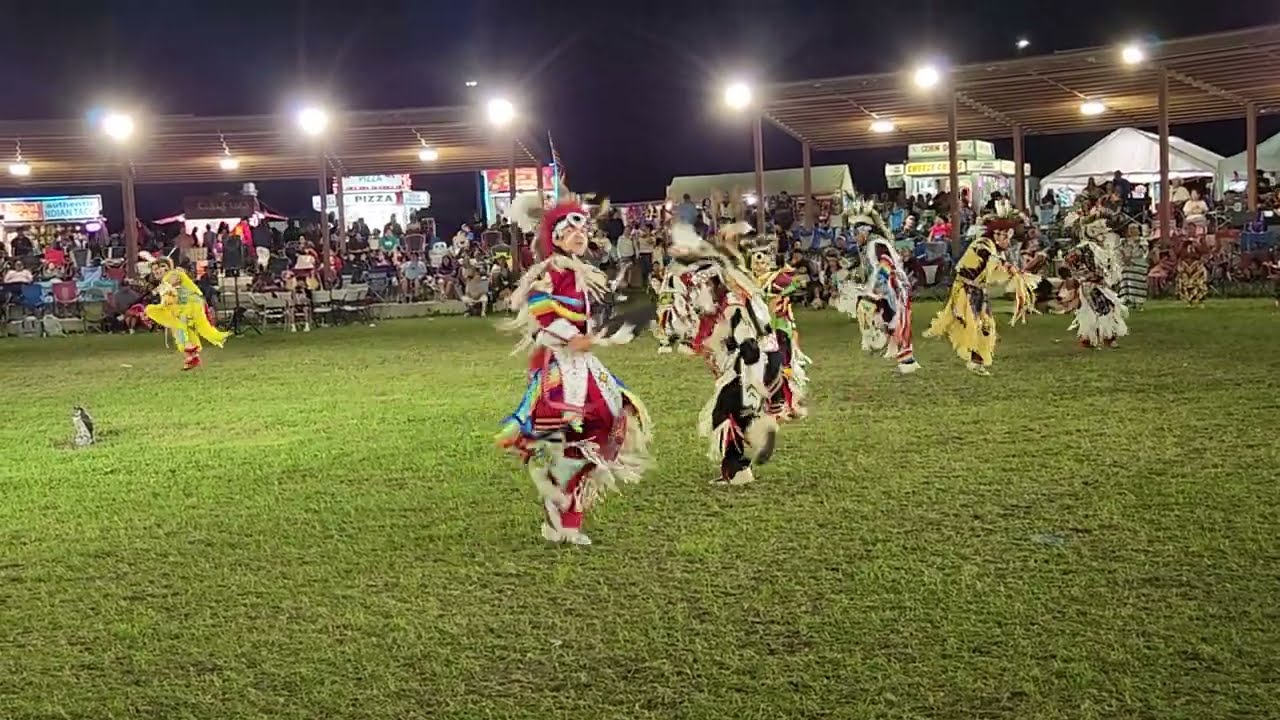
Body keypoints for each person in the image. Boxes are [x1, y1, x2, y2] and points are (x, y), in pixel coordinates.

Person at [496, 194, 652, 547]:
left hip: (580, 362)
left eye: (583, 230)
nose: (580, 236)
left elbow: (581, 316)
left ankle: (564, 514)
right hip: (560, 364)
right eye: (571, 231)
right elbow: (541, 310)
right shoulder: (551, 272)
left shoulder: (580, 271)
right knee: (585, 427)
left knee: (608, 421)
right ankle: (561, 508)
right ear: (556, 237)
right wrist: (571, 337)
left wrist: (594, 332)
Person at [665, 222, 781, 485]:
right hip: (759, 358)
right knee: (737, 412)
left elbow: (747, 340)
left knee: (723, 414)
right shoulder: (732, 289)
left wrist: (752, 379)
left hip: (748, 363)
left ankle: (743, 460)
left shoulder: (730, 300)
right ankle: (747, 452)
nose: (697, 293)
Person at [925, 203, 1039, 375]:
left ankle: (976, 362)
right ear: (998, 235)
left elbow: (996, 271)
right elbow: (983, 264)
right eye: (1006, 237)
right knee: (975, 325)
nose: (1008, 241)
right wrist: (1007, 267)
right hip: (966, 290)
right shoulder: (983, 245)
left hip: (978, 290)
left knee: (986, 325)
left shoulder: (995, 250)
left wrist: (1011, 270)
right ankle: (974, 360)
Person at [143, 257, 230, 370]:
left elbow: (175, 281)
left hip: (189, 306)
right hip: (184, 307)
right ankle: (192, 358)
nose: (155, 272)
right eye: (153, 270)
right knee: (186, 330)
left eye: (157, 269)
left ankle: (190, 351)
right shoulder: (166, 280)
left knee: (179, 329)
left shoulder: (172, 274)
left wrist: (163, 288)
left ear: (165, 268)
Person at [1117, 225, 1149, 310]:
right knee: (1125, 277)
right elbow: (1119, 251)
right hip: (1126, 264)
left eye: (1134, 229)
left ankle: (1138, 302)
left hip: (1138, 263)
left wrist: (1131, 258)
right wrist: (1125, 258)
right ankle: (1127, 300)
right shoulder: (1123, 241)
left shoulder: (1142, 241)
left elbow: (1143, 252)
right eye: (1130, 229)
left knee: (1137, 280)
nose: (1132, 231)